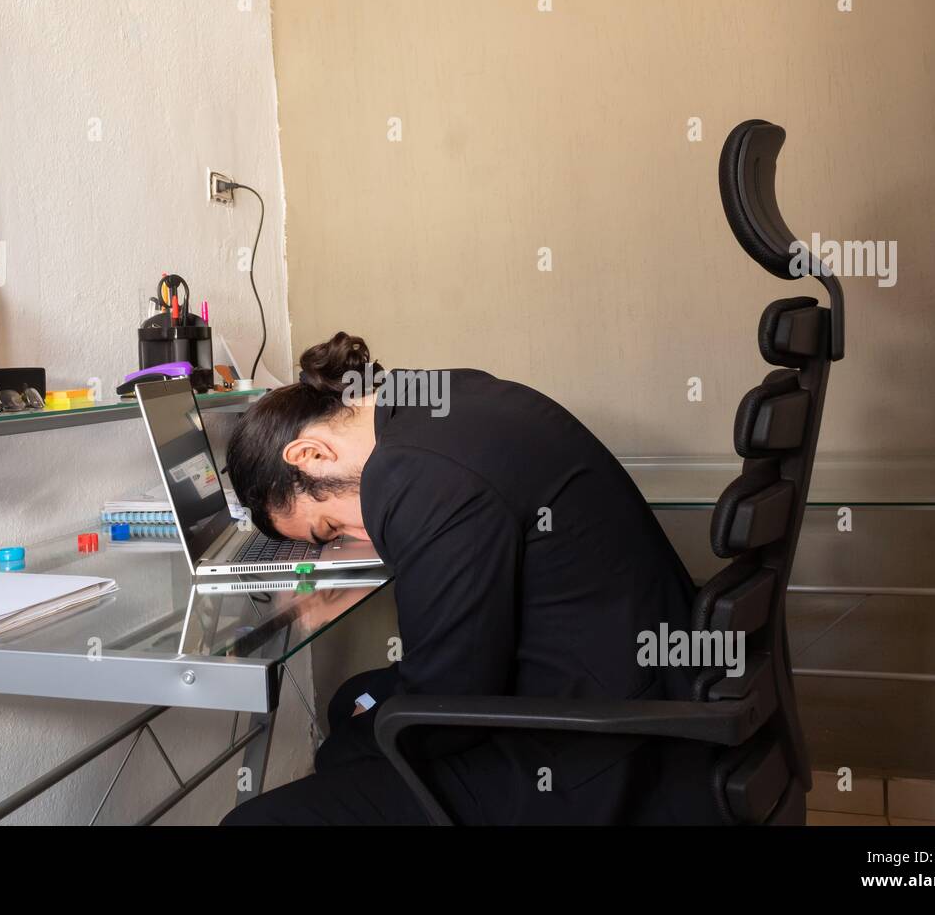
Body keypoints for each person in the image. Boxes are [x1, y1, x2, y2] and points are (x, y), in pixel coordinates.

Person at [220, 332, 697, 824]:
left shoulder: (415, 473)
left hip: (596, 750)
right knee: (351, 701)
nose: (357, 535)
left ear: (310, 454)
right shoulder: (436, 398)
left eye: (331, 525)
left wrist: (369, 731)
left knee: (280, 799)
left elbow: (444, 712)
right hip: (638, 678)